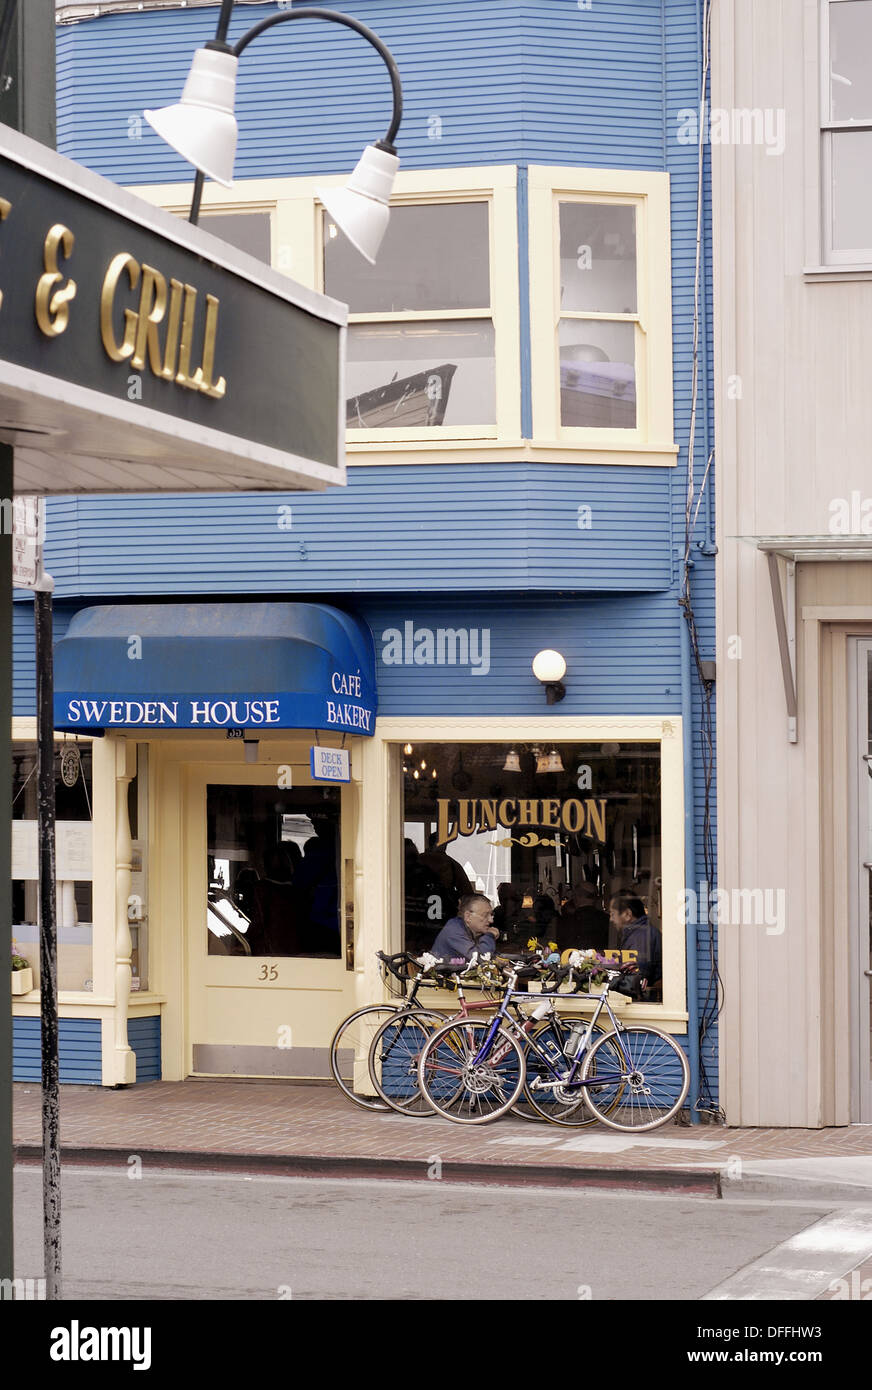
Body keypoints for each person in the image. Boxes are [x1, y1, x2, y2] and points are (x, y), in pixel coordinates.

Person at [609, 891, 662, 999]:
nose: (611, 919)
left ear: (627, 914)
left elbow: (636, 976)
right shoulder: (641, 933)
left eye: (613, 914)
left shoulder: (640, 936)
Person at [430, 892, 498, 962]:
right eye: (485, 915)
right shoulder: (454, 931)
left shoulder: (470, 930)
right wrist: (490, 936)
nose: (491, 920)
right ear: (468, 916)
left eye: (491, 915)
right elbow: (480, 959)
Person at [556, 881, 609, 953]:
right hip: (600, 961)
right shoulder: (606, 919)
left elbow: (559, 945)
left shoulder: (566, 920)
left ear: (577, 896)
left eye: (574, 895)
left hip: (570, 961)